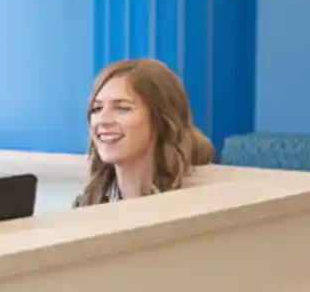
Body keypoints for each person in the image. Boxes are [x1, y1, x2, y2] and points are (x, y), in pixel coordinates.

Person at [73, 58, 213, 208]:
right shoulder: (85, 205)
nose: (103, 120)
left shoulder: (197, 204)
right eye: (97, 109)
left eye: (123, 108)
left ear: (162, 119)